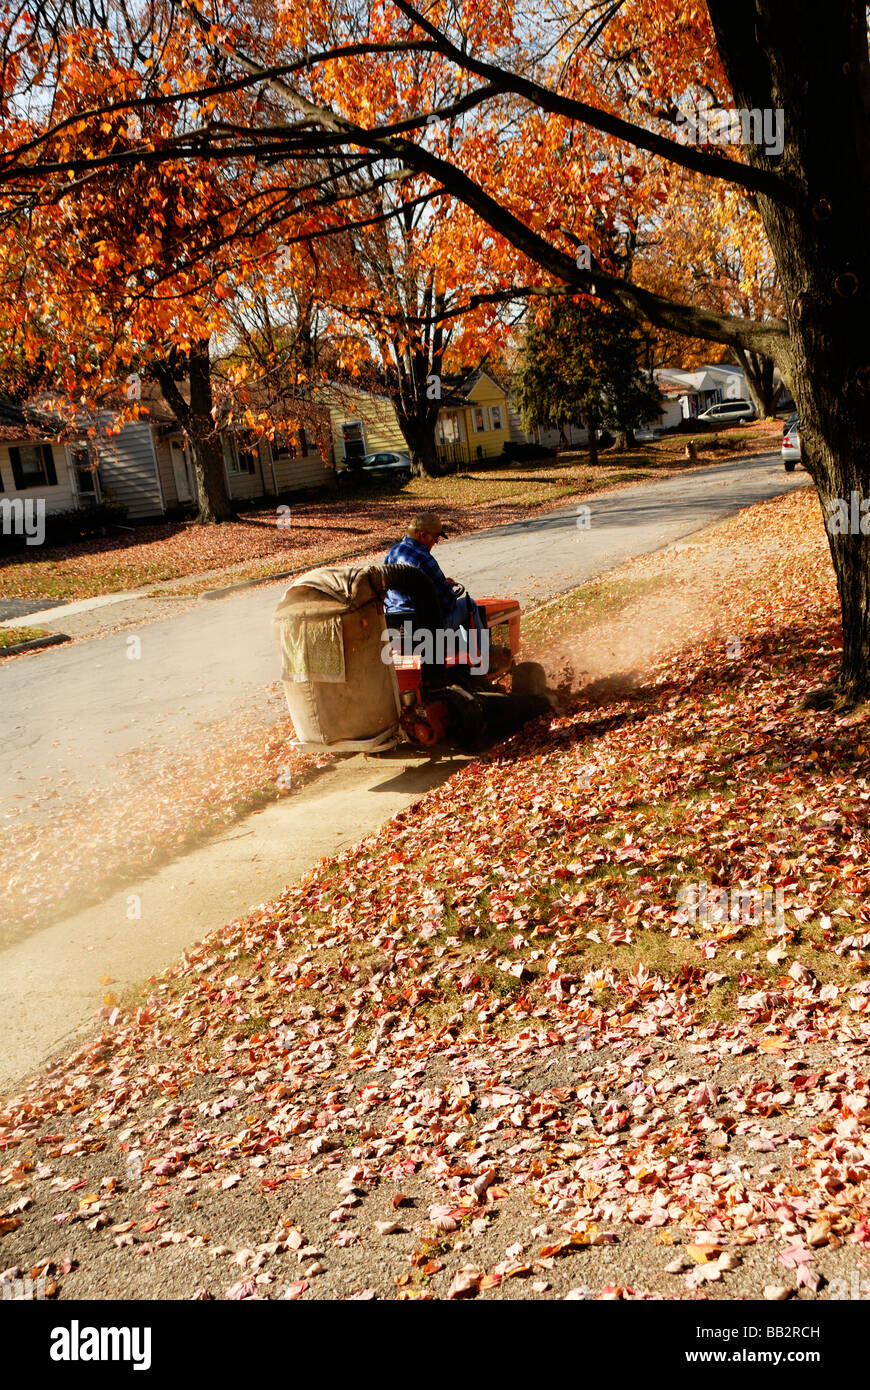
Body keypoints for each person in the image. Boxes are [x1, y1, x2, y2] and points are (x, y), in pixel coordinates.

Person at [384, 511, 484, 639]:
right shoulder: (424, 559)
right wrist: (447, 589)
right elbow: (449, 602)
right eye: (436, 537)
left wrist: (437, 585)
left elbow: (410, 588)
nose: (436, 542)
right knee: (468, 604)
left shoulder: (393, 552)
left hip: (396, 624)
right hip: (425, 627)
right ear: (423, 535)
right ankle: (482, 655)